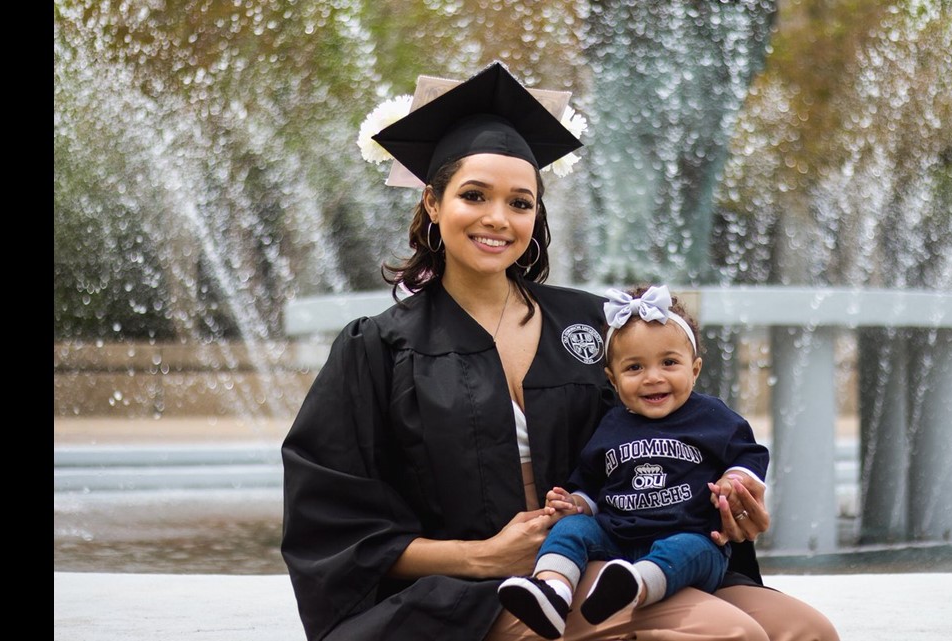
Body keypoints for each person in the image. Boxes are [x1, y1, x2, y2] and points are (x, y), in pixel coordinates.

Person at [280, 61, 840, 641]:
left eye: (520, 203)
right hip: (466, 592)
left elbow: (677, 435)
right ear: (431, 201)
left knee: (806, 630)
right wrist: (481, 557)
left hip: (618, 550)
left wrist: (730, 504)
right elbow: (333, 530)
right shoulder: (380, 348)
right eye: (474, 196)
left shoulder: (594, 325)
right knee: (728, 634)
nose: (497, 218)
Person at [497, 285, 770, 639]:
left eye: (669, 363)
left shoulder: (711, 417)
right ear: (612, 379)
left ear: (696, 369)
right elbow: (592, 482)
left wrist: (735, 479)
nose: (653, 377)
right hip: (617, 537)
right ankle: (552, 590)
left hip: (689, 534)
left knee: (692, 549)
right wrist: (574, 504)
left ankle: (634, 585)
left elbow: (749, 452)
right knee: (570, 531)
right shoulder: (612, 425)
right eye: (635, 367)